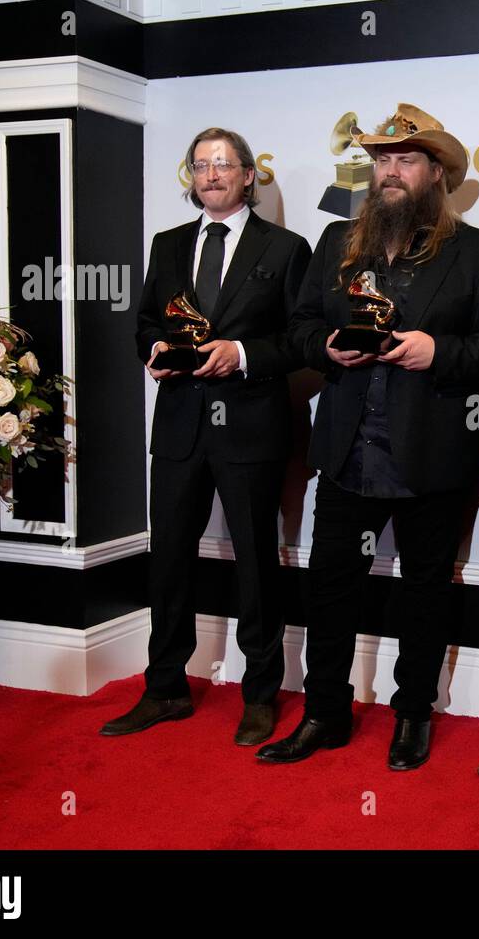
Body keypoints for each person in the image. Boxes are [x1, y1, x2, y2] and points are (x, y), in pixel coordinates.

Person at [256, 104, 479, 770]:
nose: (389, 171)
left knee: (425, 592)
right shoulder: (339, 241)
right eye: (381, 161)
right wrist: (328, 346)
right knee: (329, 590)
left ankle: (413, 716)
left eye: (404, 159)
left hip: (433, 454)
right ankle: (324, 714)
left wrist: (438, 351)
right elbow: (301, 328)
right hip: (346, 453)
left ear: (435, 173)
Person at [104, 127, 312, 745]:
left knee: (255, 562)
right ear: (190, 177)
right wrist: (157, 348)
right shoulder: (167, 245)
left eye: (224, 165)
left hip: (250, 426)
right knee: (167, 561)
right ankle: (164, 688)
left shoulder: (286, 247)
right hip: (177, 428)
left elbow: (301, 339)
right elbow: (145, 322)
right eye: (201, 165)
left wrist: (242, 354)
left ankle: (259, 694)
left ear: (250, 175)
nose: (212, 175)